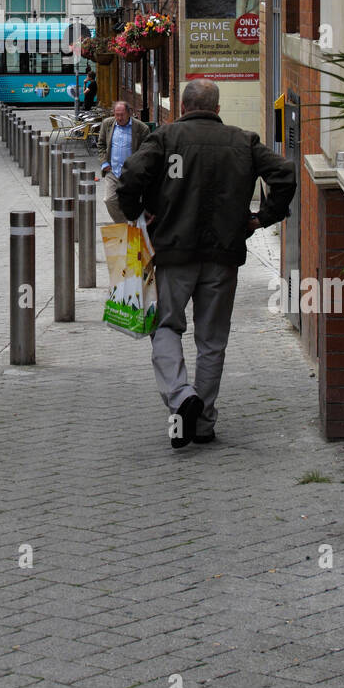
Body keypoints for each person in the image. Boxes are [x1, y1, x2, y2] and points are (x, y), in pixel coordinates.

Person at [116, 79, 296, 450]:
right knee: (212, 340)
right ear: (217, 109)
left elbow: (130, 176)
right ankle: (203, 422)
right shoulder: (243, 141)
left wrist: (139, 213)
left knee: (165, 327)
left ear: (182, 107)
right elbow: (284, 173)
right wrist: (261, 218)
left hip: (172, 254)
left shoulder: (164, 139)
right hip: (223, 256)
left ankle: (181, 397)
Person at [96, 100, 150, 221]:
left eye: (122, 115)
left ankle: (133, 228)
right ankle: (124, 226)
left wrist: (138, 169)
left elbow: (146, 152)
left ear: (129, 113)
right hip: (113, 170)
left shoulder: (141, 128)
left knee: (131, 203)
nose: (119, 118)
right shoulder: (107, 124)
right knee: (109, 200)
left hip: (131, 173)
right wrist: (104, 162)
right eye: (117, 114)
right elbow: (101, 145)